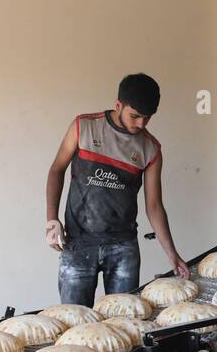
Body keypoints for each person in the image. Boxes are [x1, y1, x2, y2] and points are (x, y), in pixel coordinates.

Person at [45, 73, 190, 306]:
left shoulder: (150, 149)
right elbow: (56, 170)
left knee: (123, 323)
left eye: (147, 118)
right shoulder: (84, 127)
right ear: (118, 105)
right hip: (78, 243)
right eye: (135, 116)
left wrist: (172, 255)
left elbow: (153, 206)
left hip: (123, 247)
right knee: (75, 322)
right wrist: (51, 220)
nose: (141, 124)